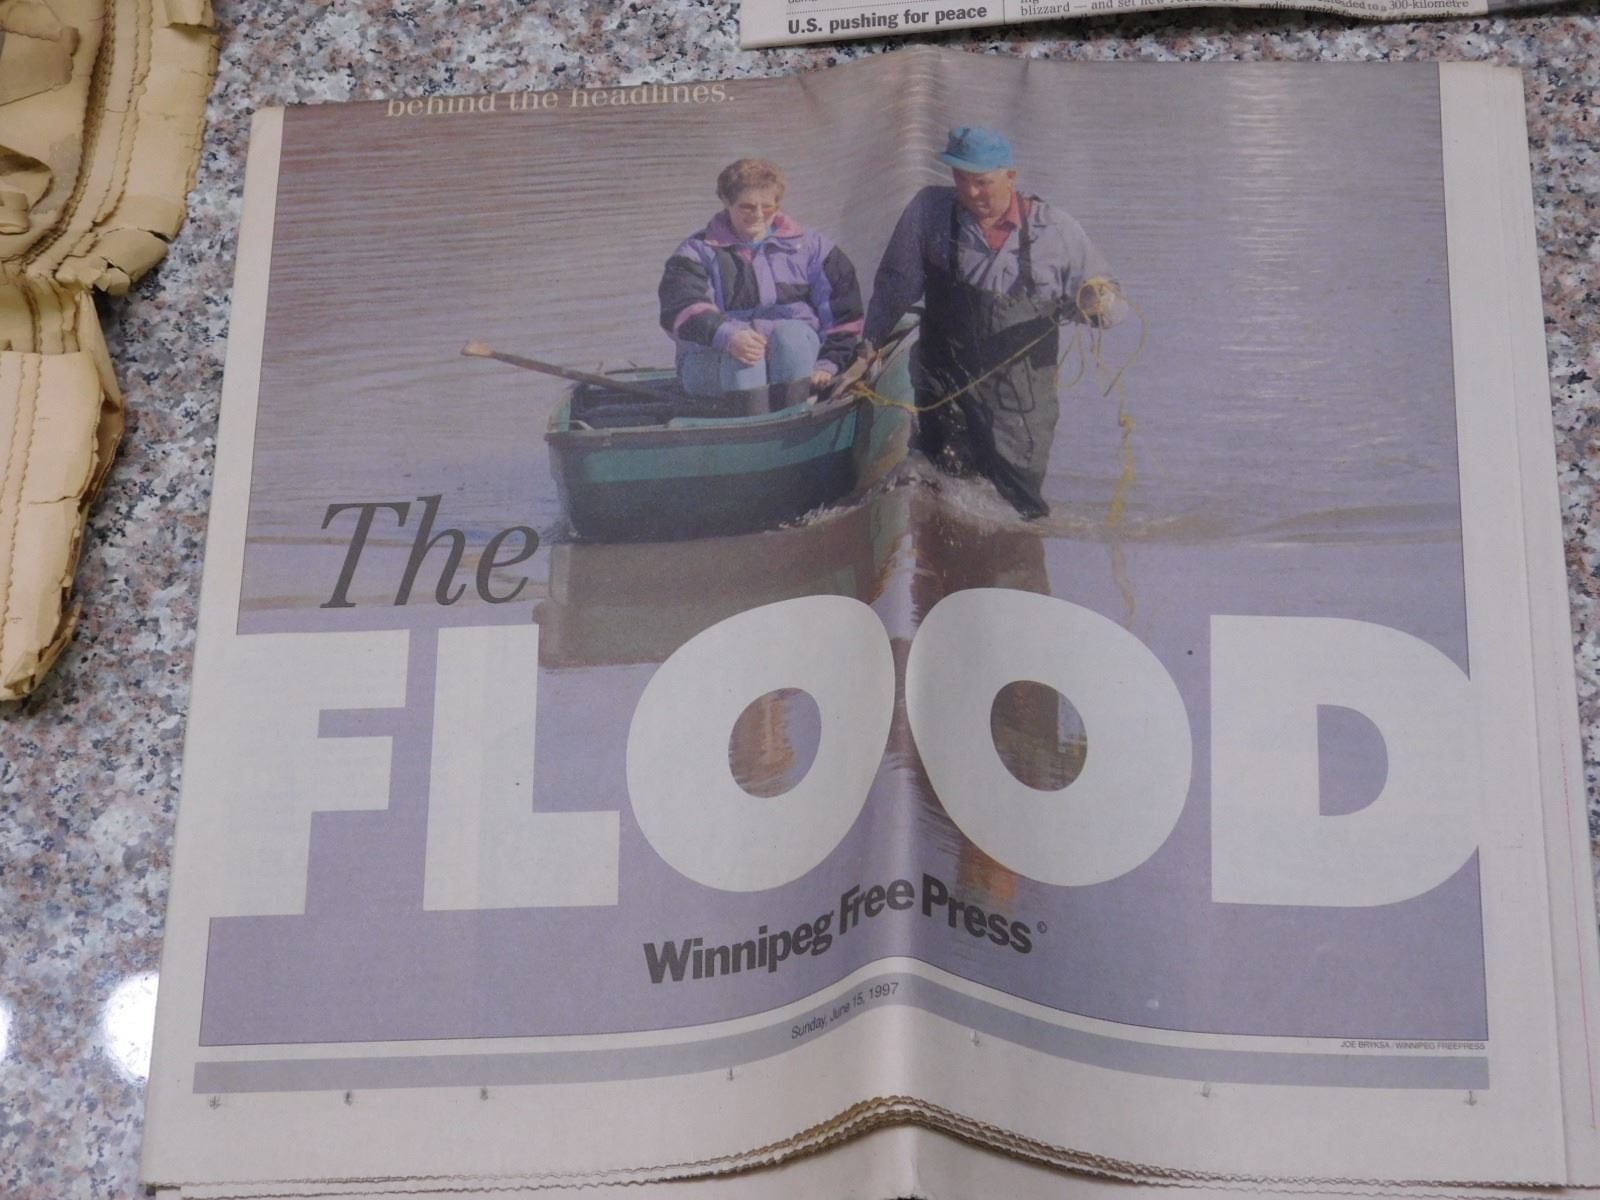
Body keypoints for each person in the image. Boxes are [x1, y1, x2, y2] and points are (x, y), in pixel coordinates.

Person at [863, 127, 1128, 519]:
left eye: (982, 183)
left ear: (1011, 176)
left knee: (1022, 512)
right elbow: (893, 287)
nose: (971, 193)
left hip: (1018, 400)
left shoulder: (1056, 230)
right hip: (944, 384)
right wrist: (868, 347)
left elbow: (1114, 309)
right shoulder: (929, 212)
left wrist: (1098, 304)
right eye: (961, 180)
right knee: (939, 492)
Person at [659, 158, 863, 405]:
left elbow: (844, 316)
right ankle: (749, 428)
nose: (758, 215)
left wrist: (828, 364)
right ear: (726, 201)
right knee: (745, 359)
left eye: (768, 207)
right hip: (714, 360)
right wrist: (728, 336)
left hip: (793, 354)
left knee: (791, 337)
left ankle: (794, 415)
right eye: (747, 207)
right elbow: (681, 308)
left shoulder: (814, 248)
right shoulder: (694, 252)